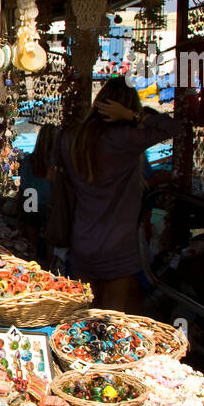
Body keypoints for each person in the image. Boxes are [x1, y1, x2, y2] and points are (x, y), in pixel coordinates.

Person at [56, 77, 176, 314]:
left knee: (81, 323)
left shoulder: (70, 138)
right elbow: (175, 127)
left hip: (83, 242)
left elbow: (53, 176)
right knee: (111, 327)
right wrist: (133, 116)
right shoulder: (126, 139)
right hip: (119, 248)